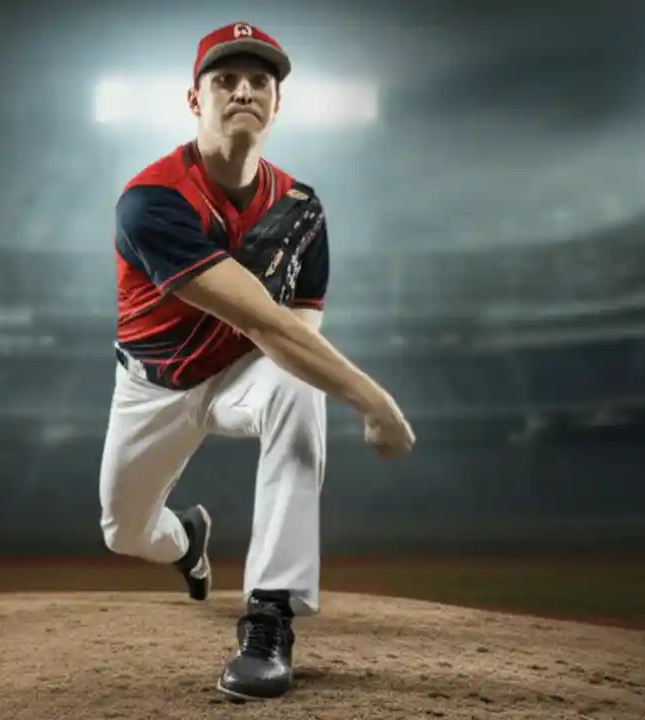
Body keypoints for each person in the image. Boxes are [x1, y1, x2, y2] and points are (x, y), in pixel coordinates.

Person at [98, 21, 416, 700]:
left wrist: (328, 380)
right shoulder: (152, 202)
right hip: (156, 385)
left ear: (278, 103)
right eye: (224, 80)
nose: (243, 90)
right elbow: (261, 317)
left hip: (247, 373)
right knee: (123, 531)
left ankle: (269, 615)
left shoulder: (303, 207)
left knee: (301, 388)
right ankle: (185, 541)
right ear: (194, 100)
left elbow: (300, 337)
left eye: (260, 81)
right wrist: (376, 400)